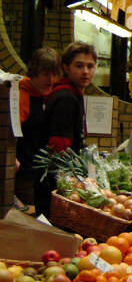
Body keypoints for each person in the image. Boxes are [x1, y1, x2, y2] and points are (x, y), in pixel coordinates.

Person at [34, 41, 97, 217]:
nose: (85, 71)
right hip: (55, 189)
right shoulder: (66, 99)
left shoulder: (69, 94)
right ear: (66, 68)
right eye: (79, 66)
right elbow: (59, 148)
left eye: (90, 66)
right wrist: (70, 187)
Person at [15, 47, 61, 207]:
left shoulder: (50, 97)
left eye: (55, 74)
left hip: (44, 174)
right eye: (46, 74)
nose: (51, 79)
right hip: (25, 174)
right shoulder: (21, 96)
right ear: (34, 72)